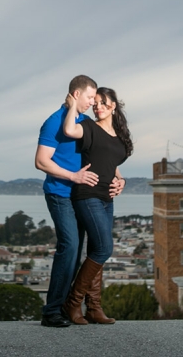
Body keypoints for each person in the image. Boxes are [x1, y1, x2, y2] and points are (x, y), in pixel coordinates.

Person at [34, 76, 124, 328]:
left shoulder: (85, 121)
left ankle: (82, 307)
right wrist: (73, 175)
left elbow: (102, 155)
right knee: (70, 247)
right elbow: (41, 161)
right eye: (89, 98)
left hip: (82, 194)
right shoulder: (53, 122)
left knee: (87, 250)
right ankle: (53, 311)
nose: (93, 104)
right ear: (76, 94)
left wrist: (119, 178)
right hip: (60, 193)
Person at [60, 86, 132, 325]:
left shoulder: (119, 137)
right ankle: (72, 304)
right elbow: (69, 129)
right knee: (104, 249)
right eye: (95, 103)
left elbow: (112, 164)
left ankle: (93, 308)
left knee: (96, 251)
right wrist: (72, 105)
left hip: (107, 198)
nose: (98, 106)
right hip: (88, 194)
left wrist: (121, 180)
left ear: (113, 104)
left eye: (103, 102)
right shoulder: (90, 127)